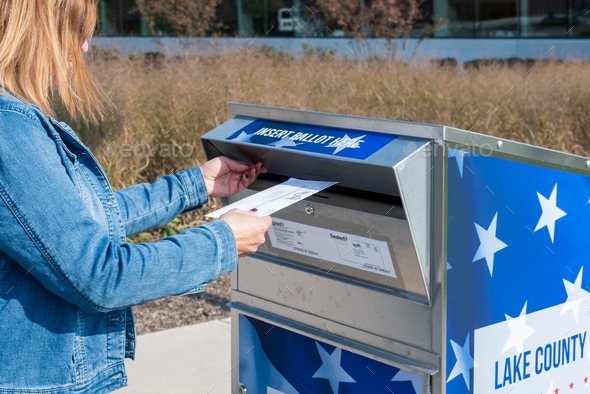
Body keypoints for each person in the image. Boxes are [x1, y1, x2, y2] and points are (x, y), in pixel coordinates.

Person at [0, 1, 272, 393]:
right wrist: (222, 241)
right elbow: (103, 277)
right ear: (42, 28)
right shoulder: (12, 130)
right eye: (79, 30)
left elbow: (83, 220)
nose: (85, 47)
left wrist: (195, 185)